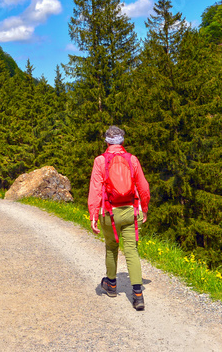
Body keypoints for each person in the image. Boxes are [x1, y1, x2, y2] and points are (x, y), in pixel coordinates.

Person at [88, 125, 150, 311]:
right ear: (122, 141)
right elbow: (144, 187)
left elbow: (95, 190)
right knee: (131, 250)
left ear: (107, 141)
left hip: (109, 213)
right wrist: (144, 208)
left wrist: (93, 214)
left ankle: (112, 285)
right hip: (131, 211)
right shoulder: (132, 160)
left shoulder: (100, 161)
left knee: (111, 247)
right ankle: (138, 295)